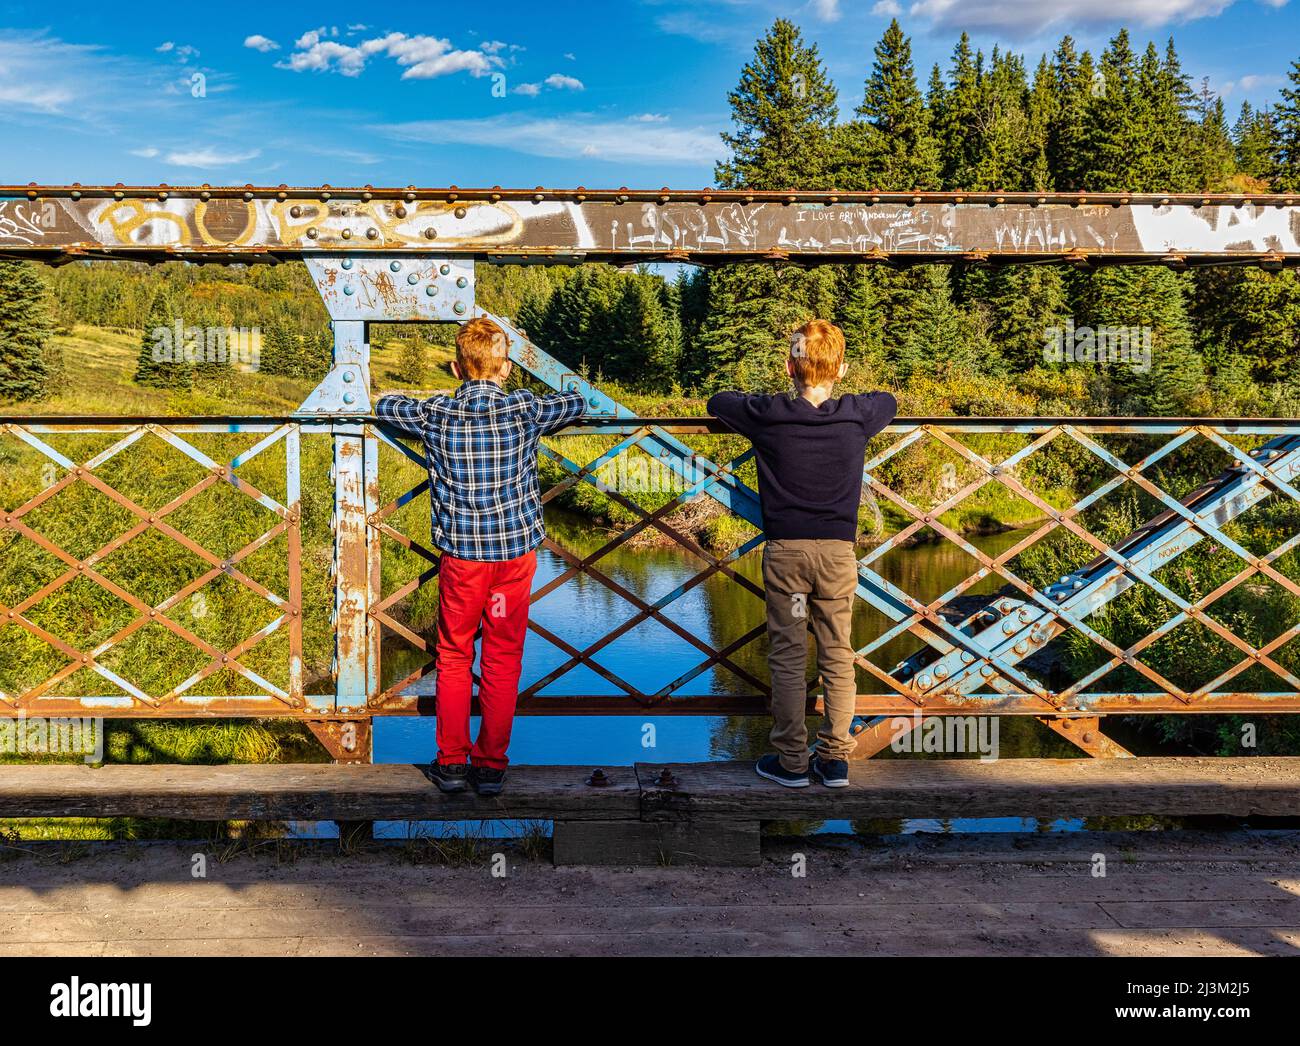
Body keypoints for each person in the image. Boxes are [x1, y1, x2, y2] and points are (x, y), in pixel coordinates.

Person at [375, 317, 586, 795]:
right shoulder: (524, 410)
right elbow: (576, 401)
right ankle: (490, 766)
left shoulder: (436, 416)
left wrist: (430, 399)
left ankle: (450, 763)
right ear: (506, 368)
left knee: (452, 656)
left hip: (463, 558)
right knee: (503, 656)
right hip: (513, 556)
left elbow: (385, 405)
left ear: (455, 368)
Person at [707, 320, 897, 789]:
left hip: (787, 551)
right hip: (837, 553)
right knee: (838, 653)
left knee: (788, 656)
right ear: (842, 369)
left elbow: (719, 402)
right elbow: (889, 401)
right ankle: (834, 759)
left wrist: (768, 397)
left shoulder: (767, 414)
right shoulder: (857, 414)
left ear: (788, 366)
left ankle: (791, 760)